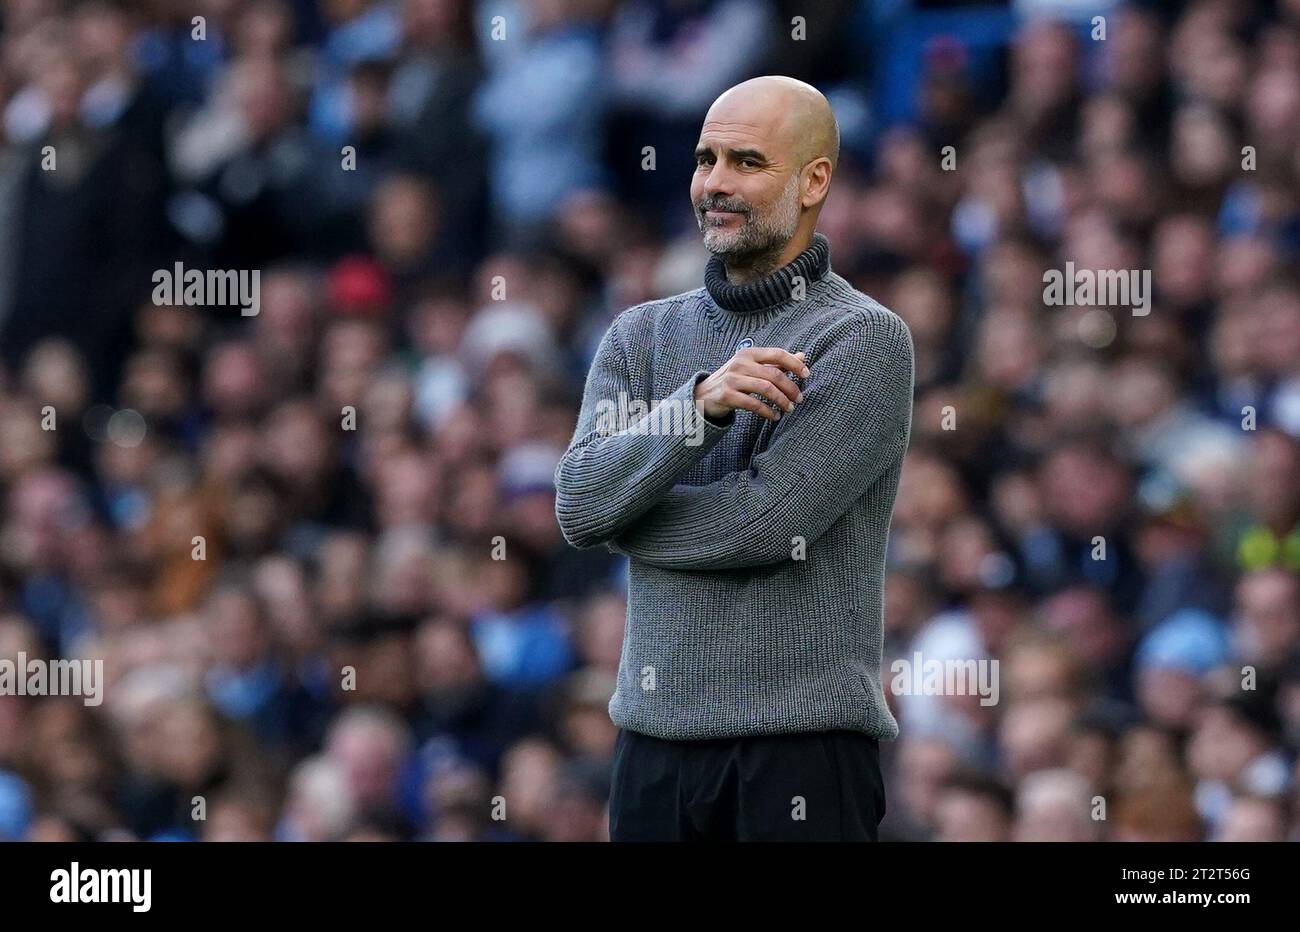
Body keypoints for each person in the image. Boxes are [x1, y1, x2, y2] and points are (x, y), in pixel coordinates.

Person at [554, 75, 915, 841]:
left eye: (746, 162)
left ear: (815, 179)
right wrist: (700, 408)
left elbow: (761, 526)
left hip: (800, 755)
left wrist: (626, 521)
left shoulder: (863, 339)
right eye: (705, 158)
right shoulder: (638, 336)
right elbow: (579, 501)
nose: (714, 183)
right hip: (652, 749)